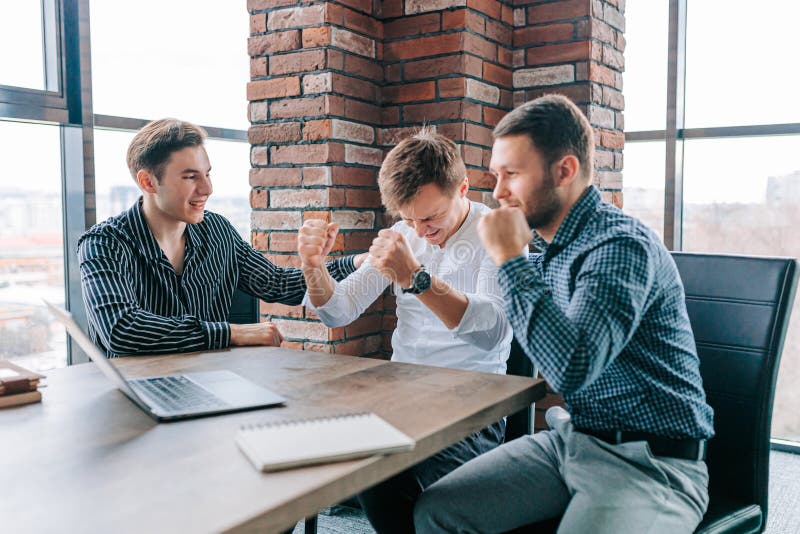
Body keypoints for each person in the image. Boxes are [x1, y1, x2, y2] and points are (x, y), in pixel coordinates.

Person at [413, 95, 714, 534]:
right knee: (437, 511)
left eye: (511, 175)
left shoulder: (618, 247)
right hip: (574, 441)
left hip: (653, 464)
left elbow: (572, 369)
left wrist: (509, 257)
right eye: (496, 176)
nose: (497, 193)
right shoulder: (552, 249)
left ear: (565, 171)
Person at [297, 129, 513, 534]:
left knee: (415, 493)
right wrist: (314, 268)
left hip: (471, 409)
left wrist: (416, 278)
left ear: (462, 187)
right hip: (402, 397)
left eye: (430, 217)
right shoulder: (407, 235)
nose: (420, 230)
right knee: (354, 458)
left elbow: (493, 332)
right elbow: (339, 310)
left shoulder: (497, 231)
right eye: (408, 218)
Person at [78, 118, 363, 357]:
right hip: (137, 396)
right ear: (148, 182)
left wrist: (357, 263)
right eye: (191, 177)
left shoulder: (217, 230)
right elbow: (121, 330)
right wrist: (231, 333)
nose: (207, 189)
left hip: (211, 385)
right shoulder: (103, 244)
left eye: (207, 174)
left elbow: (277, 283)